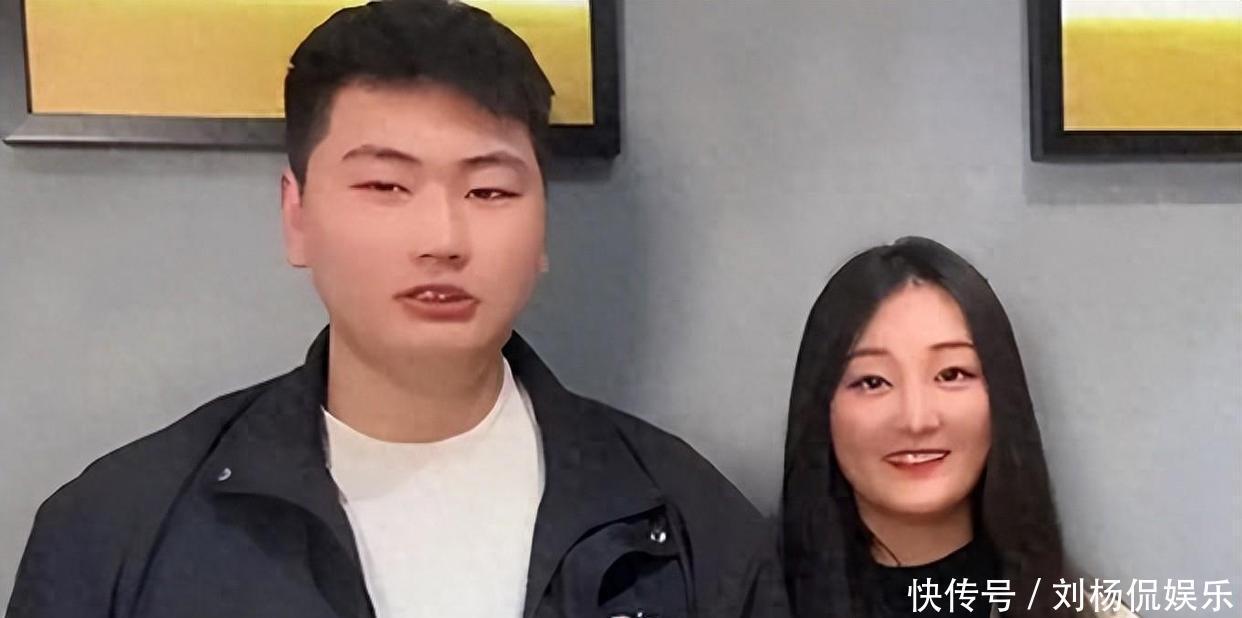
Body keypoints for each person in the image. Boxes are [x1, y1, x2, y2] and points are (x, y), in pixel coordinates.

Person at [6, 1, 787, 616]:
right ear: (297, 215)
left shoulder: (690, 523)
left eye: (489, 190)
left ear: (543, 225)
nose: (442, 238)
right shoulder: (115, 531)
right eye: (386, 185)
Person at [781, 237, 1134, 617]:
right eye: (873, 382)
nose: (916, 420)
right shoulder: (751, 599)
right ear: (821, 406)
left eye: (951, 375)